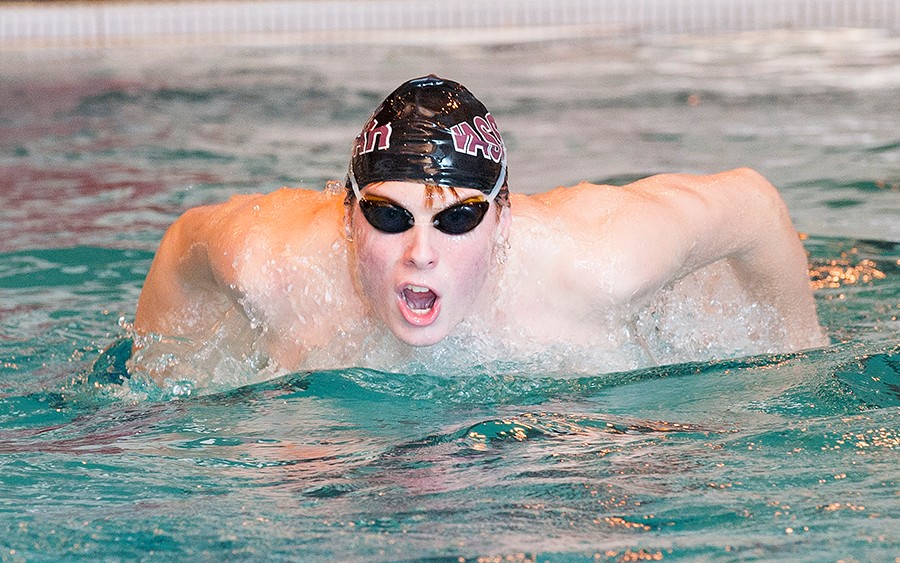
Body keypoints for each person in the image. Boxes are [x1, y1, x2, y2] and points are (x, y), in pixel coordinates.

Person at [132, 75, 826, 387]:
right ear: (345, 216)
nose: (421, 254)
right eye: (388, 216)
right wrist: (163, 375)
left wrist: (796, 358)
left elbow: (755, 206)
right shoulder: (271, 261)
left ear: (502, 220)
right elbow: (178, 248)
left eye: (458, 218)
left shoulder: (601, 263)